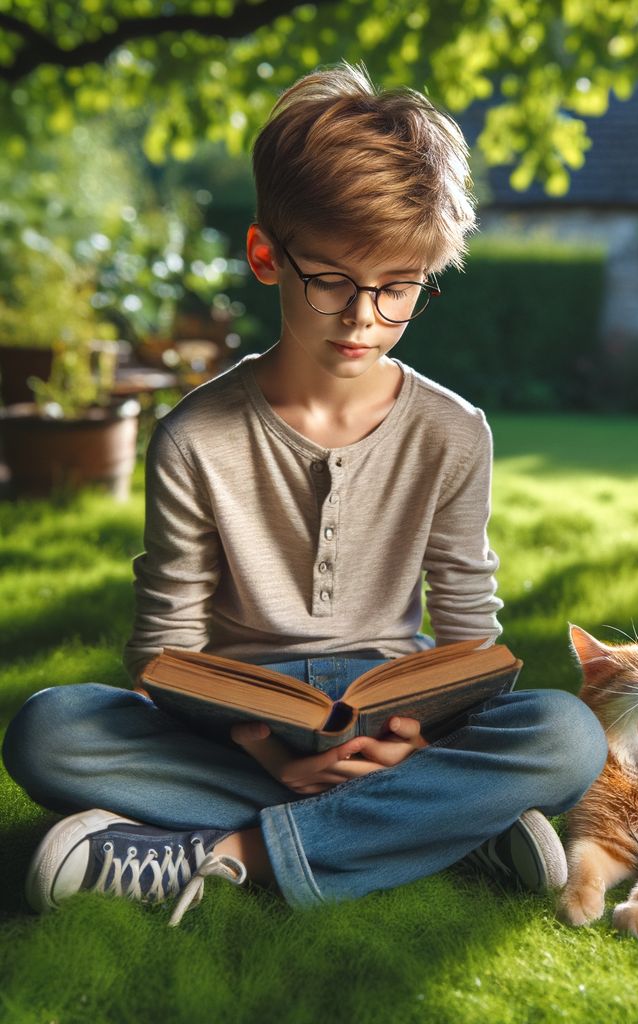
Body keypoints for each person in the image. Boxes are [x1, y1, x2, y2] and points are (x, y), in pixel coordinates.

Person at [2, 62, 607, 926]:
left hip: (397, 710)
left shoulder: (454, 431)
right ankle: (449, 827)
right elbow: (166, 647)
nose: (364, 317)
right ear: (266, 256)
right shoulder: (194, 437)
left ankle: (228, 855)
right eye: (331, 281)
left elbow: (469, 635)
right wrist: (268, 755)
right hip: (238, 717)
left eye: (399, 289)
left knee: (566, 736)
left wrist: (415, 737)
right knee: (49, 731)